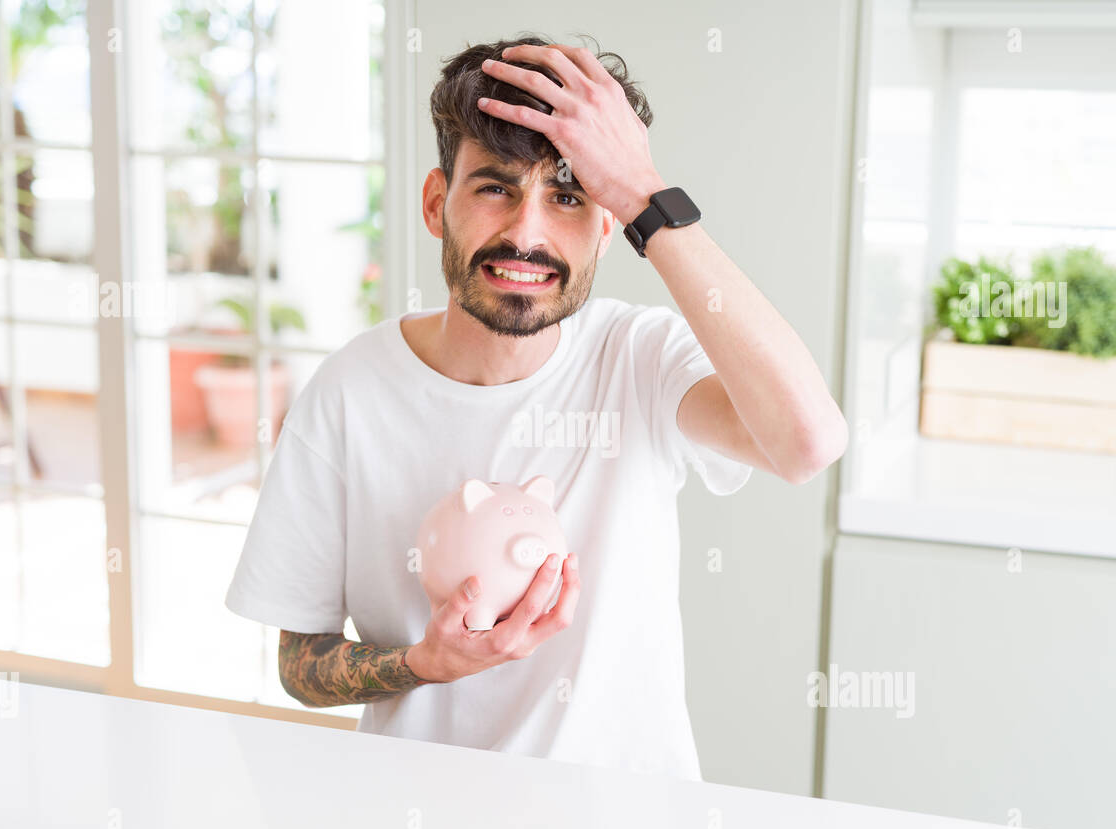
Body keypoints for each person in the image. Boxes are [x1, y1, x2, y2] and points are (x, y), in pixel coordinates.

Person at [225, 33, 847, 781]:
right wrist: (423, 660)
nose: (527, 232)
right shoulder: (348, 392)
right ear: (435, 203)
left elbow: (809, 441)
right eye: (494, 187)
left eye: (569, 196)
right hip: (420, 824)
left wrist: (647, 193)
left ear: (610, 224)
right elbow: (301, 662)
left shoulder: (640, 359)